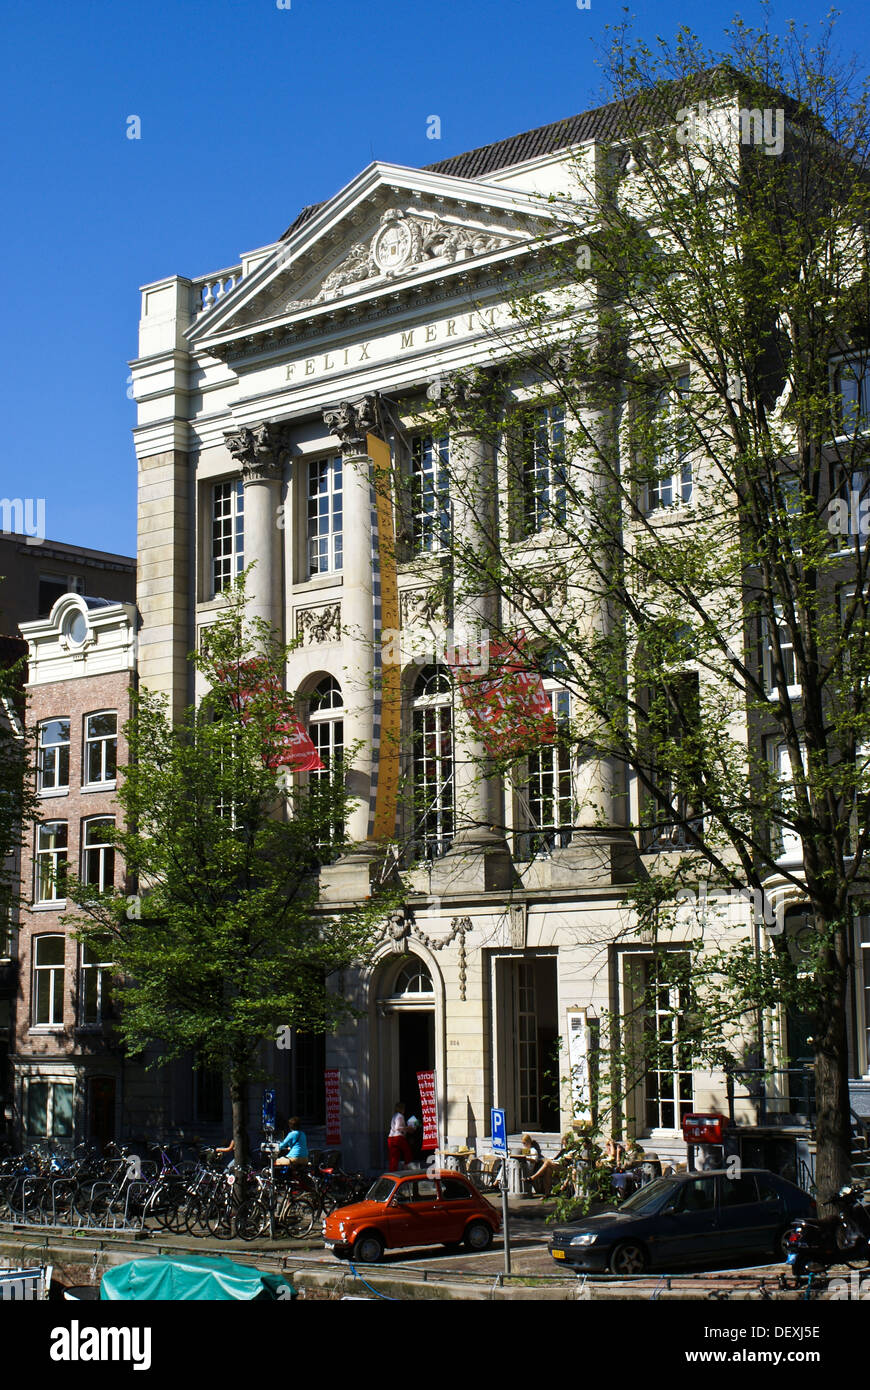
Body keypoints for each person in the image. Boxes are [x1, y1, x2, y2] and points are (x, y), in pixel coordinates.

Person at [387, 1102, 412, 1170]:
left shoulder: (394, 1116)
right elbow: (397, 1127)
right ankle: (406, 1166)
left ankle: (392, 1171)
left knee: (393, 1157)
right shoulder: (400, 1116)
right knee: (407, 1152)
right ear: (402, 1109)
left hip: (391, 1138)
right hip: (398, 1137)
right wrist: (408, 1128)